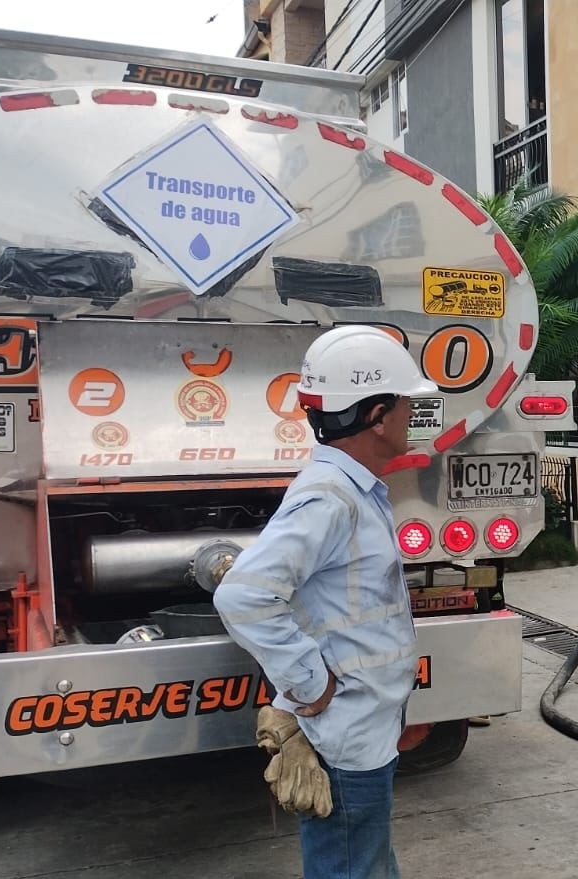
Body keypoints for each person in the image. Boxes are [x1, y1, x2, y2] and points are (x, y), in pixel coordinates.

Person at [215, 325, 437, 879]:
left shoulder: (351, 488)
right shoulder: (330, 498)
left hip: (363, 729)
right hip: (345, 737)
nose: (412, 415)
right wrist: (310, 684)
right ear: (378, 415)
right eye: (407, 404)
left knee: (367, 865)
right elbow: (244, 595)